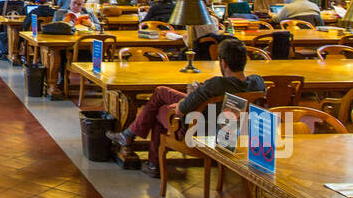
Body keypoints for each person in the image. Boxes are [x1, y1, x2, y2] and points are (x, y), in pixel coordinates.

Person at [109, 37, 266, 177]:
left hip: (200, 129)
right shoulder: (257, 82)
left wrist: (194, 94)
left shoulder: (216, 84)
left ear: (222, 62)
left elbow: (180, 110)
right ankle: (140, 150)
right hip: (232, 130)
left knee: (159, 110)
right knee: (161, 92)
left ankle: (146, 154)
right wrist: (197, 94)